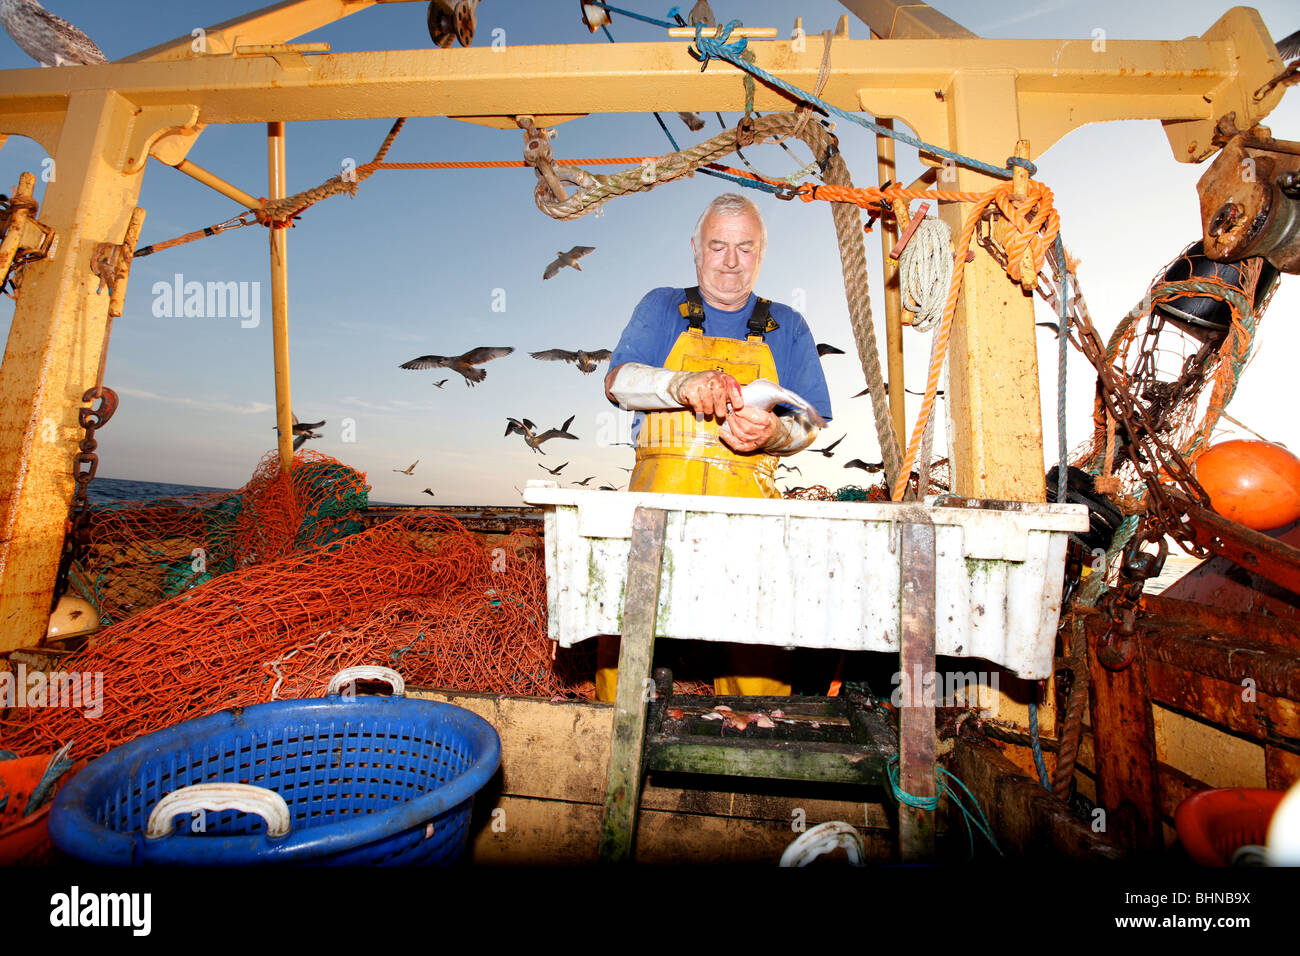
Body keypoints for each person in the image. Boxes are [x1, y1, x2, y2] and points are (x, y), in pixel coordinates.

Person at [598, 192, 833, 701]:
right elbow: (617, 382)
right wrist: (679, 385)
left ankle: (754, 757)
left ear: (762, 252)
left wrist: (773, 434)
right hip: (655, 513)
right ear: (695, 248)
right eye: (717, 246)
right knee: (623, 638)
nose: (730, 262)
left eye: (745, 248)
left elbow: (812, 420)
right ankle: (608, 746)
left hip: (750, 520)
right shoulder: (661, 305)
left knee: (759, 650)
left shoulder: (788, 324)